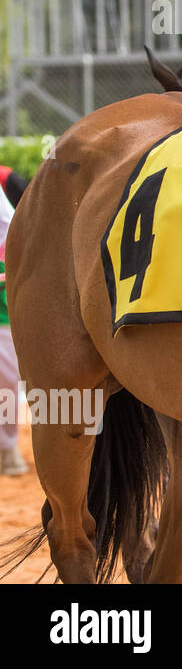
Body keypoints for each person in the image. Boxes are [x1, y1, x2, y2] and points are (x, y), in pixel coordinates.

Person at [0, 167, 26, 475]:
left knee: (7, 374)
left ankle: (7, 447)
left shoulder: (8, 180)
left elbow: (18, 235)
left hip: (5, 302)